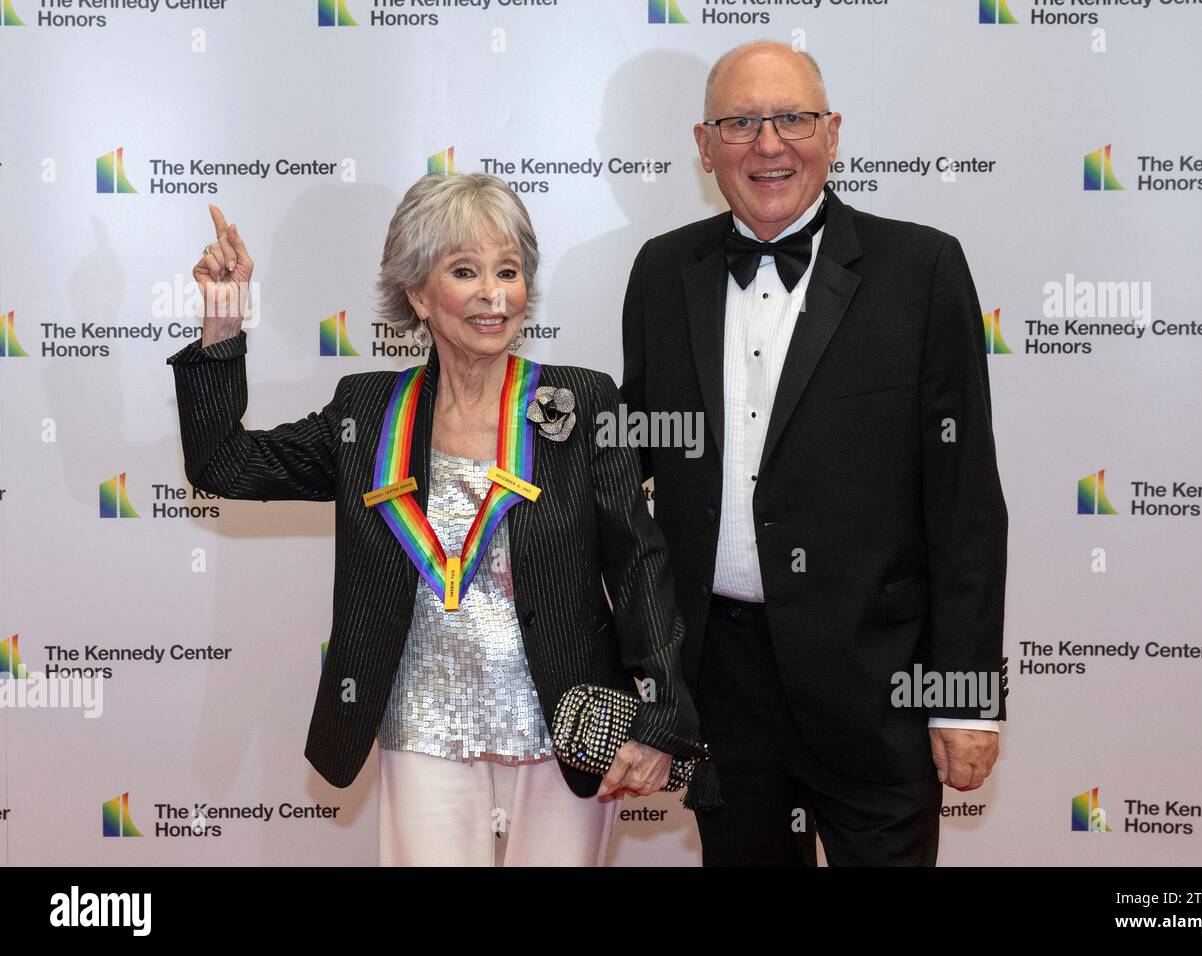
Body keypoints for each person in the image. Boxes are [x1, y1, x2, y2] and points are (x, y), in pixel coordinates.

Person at [168, 172, 707, 866]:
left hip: (569, 724)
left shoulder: (579, 403)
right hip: (423, 721)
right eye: (465, 271)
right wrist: (222, 326)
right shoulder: (367, 413)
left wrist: (663, 716)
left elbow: (638, 565)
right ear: (418, 294)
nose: (494, 294)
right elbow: (226, 465)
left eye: (508, 271)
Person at [620, 40, 1008, 866]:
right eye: (741, 122)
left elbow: (966, 500)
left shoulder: (923, 269)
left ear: (832, 133)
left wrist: (966, 703)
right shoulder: (662, 272)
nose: (768, 144)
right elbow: (634, 459)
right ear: (703, 145)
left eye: (792, 118)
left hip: (880, 687)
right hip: (722, 685)